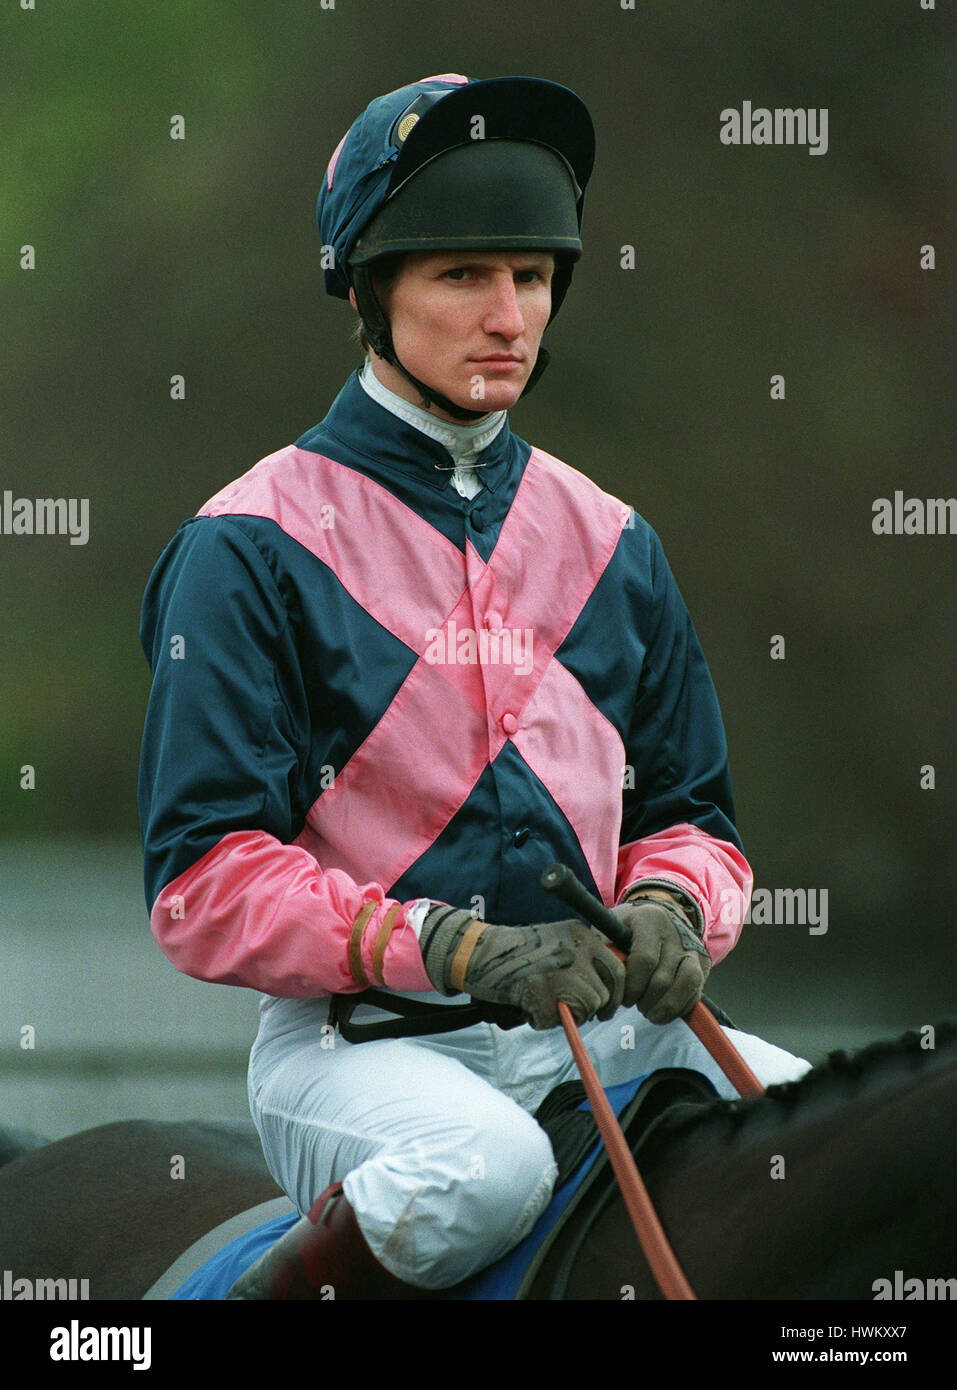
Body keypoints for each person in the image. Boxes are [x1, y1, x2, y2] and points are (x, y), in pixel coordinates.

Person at [137, 73, 810, 1300]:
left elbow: (695, 822)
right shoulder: (246, 547)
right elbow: (200, 883)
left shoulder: (614, 542)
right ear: (367, 289)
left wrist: (670, 910)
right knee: (482, 1169)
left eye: (534, 278)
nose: (509, 315)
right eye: (462, 276)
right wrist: (449, 946)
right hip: (361, 1048)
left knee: (827, 1145)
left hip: (606, 1034)